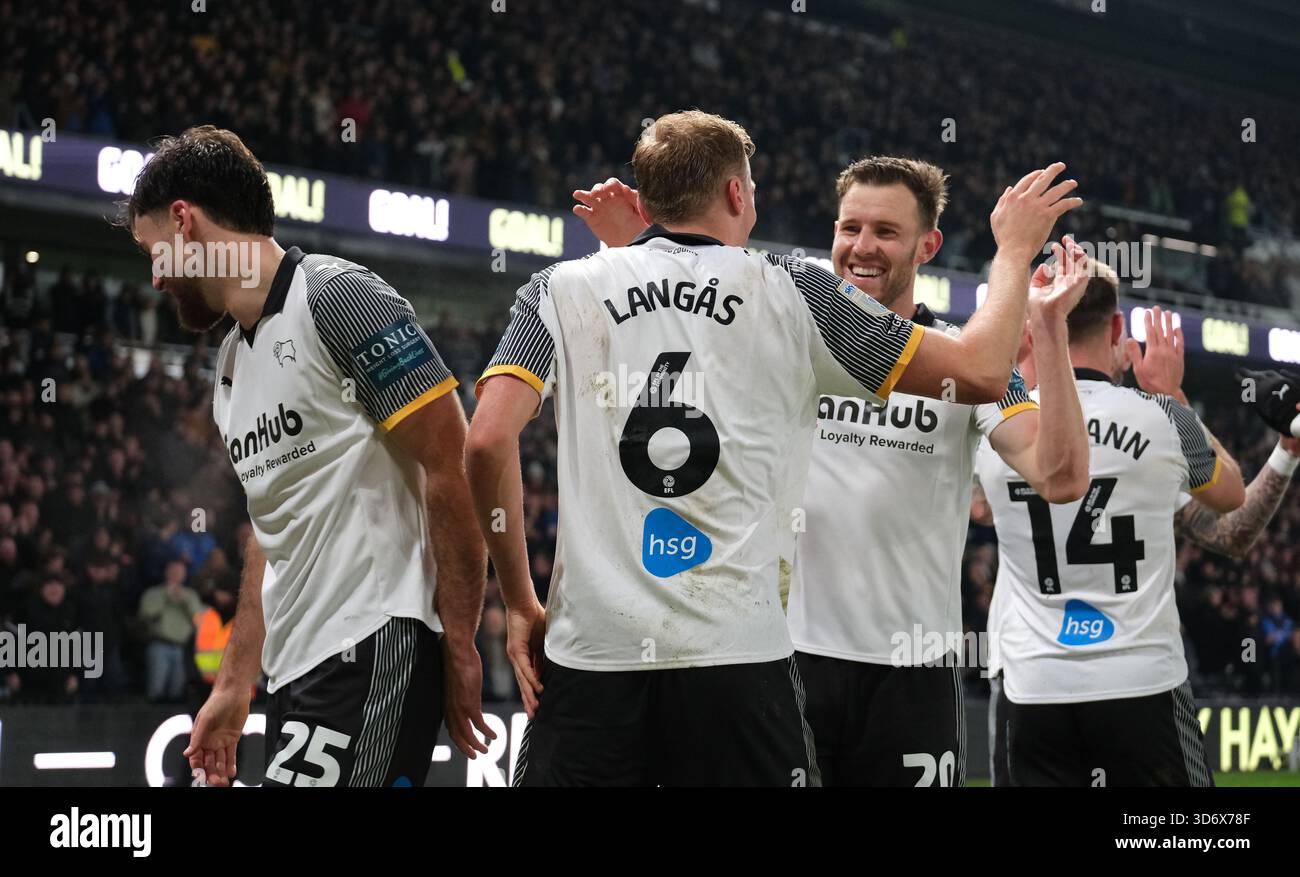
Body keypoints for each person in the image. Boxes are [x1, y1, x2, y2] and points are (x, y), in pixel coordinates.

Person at [466, 110, 1079, 786]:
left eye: (885, 231)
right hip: (752, 658)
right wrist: (1015, 252)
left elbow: (490, 436)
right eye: (850, 227)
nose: (862, 245)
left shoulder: (562, 286)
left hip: (613, 658)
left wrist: (519, 599)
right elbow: (981, 370)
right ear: (737, 195)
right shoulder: (797, 294)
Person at [120, 125, 489, 787]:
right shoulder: (230, 365)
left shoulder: (337, 295)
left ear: (184, 220)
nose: (155, 278)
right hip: (295, 668)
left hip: (375, 640)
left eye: (154, 252)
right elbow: (273, 529)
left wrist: (460, 641)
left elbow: (449, 460)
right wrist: (236, 680)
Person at [976, 306, 1300, 785]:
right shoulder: (1156, 428)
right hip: (1141, 679)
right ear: (1114, 331)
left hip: (1030, 680)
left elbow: (974, 507)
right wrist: (1171, 395)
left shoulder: (994, 430)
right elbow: (1233, 527)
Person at [138, 559, 204, 702]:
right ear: (166, 573)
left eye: (179, 572)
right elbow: (145, 615)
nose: (176, 575)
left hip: (182, 648)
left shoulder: (190, 595)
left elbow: (200, 621)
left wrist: (185, 604)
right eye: (173, 571)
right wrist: (165, 598)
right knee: (156, 690)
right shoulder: (154, 593)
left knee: (177, 691)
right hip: (159, 646)